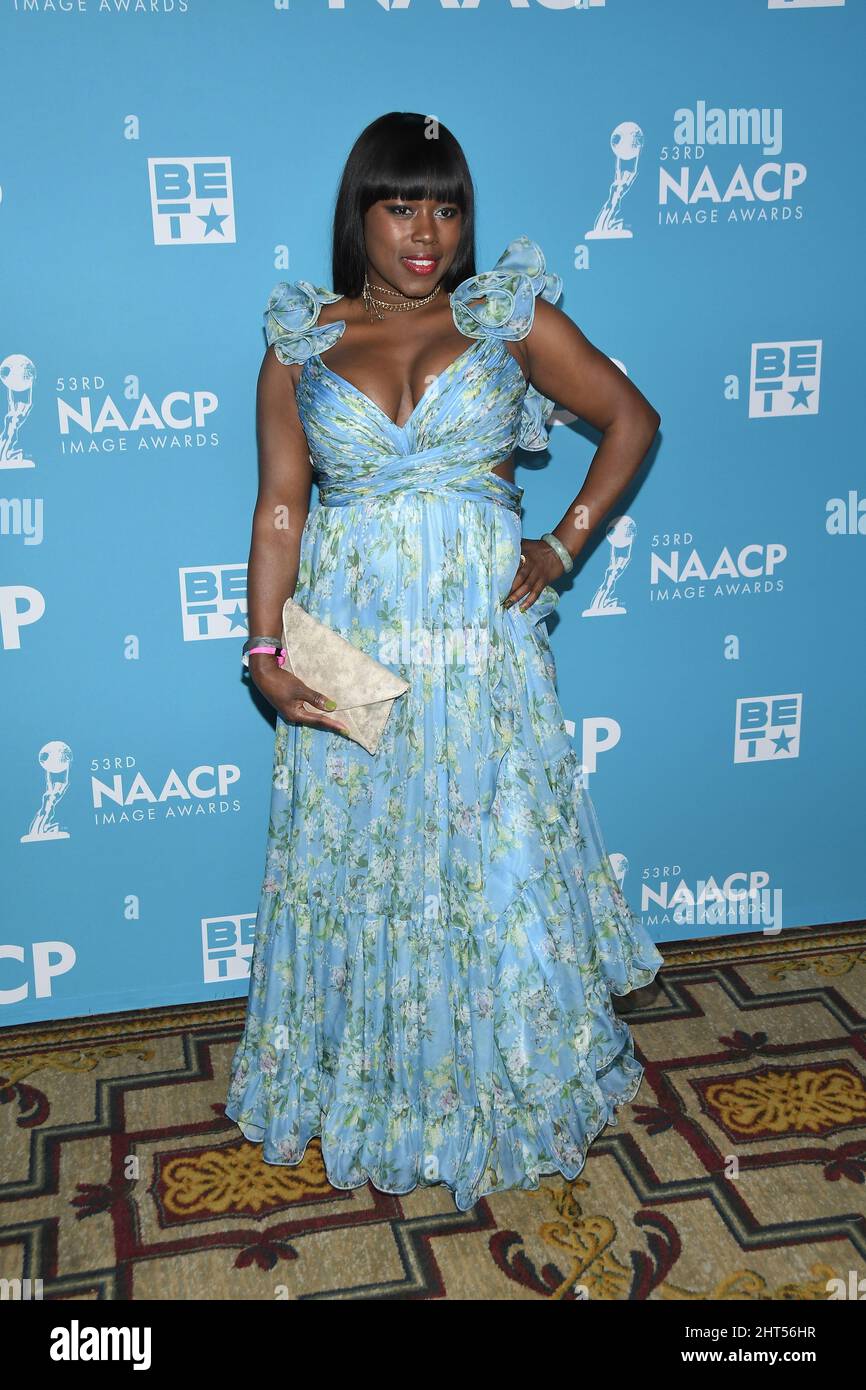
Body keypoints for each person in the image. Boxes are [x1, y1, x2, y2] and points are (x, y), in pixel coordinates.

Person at [225, 111, 664, 1212]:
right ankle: (364, 1081)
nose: (426, 231)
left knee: (490, 867)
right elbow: (281, 504)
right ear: (359, 215)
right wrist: (266, 641)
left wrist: (561, 544)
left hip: (477, 651)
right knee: (357, 865)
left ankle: (504, 1078)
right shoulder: (299, 342)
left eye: (447, 206)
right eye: (401, 205)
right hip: (351, 642)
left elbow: (628, 417)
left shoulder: (507, 320)